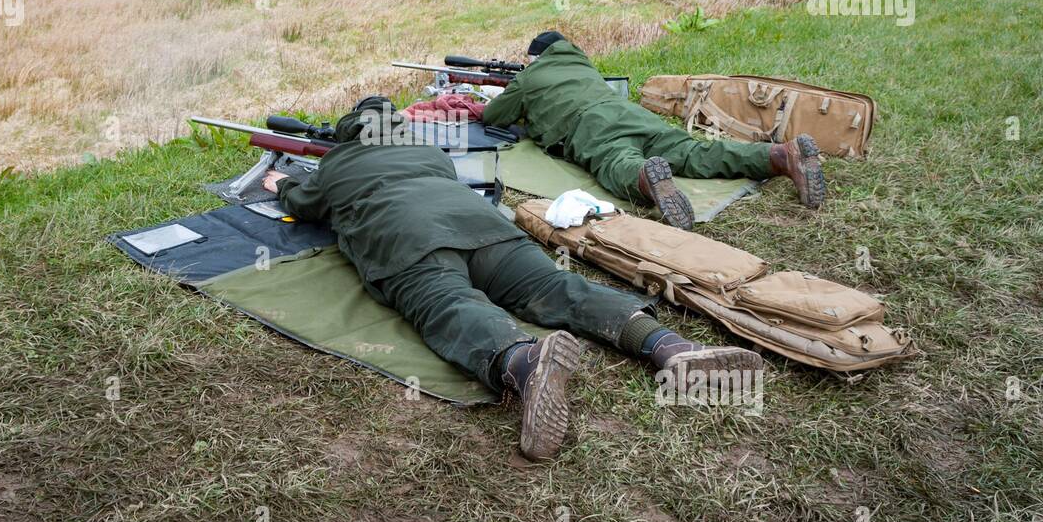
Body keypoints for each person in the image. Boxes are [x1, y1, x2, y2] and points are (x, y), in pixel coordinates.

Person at [262, 96, 762, 461]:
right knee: (559, 288)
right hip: (484, 228)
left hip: (408, 243)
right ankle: (668, 346)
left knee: (451, 306)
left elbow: (305, 205)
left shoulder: (337, 165)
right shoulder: (429, 154)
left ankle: (525, 362)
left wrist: (283, 182)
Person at [482, 31, 826, 230]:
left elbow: (495, 115)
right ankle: (781, 155)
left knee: (615, 161)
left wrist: (513, 89)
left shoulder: (530, 77)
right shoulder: (581, 63)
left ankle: (646, 178)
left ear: (534, 59)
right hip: (632, 114)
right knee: (695, 152)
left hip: (591, 126)